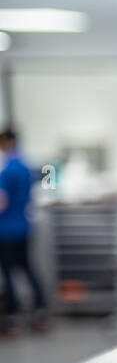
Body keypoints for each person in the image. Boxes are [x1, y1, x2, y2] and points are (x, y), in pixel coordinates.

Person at [0, 127, 49, 335]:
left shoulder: (7, 169)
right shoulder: (27, 165)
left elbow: (2, 202)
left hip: (7, 229)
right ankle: (40, 310)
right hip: (25, 226)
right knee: (28, 268)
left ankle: (11, 318)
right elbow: (47, 180)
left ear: (6, 141)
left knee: (8, 272)